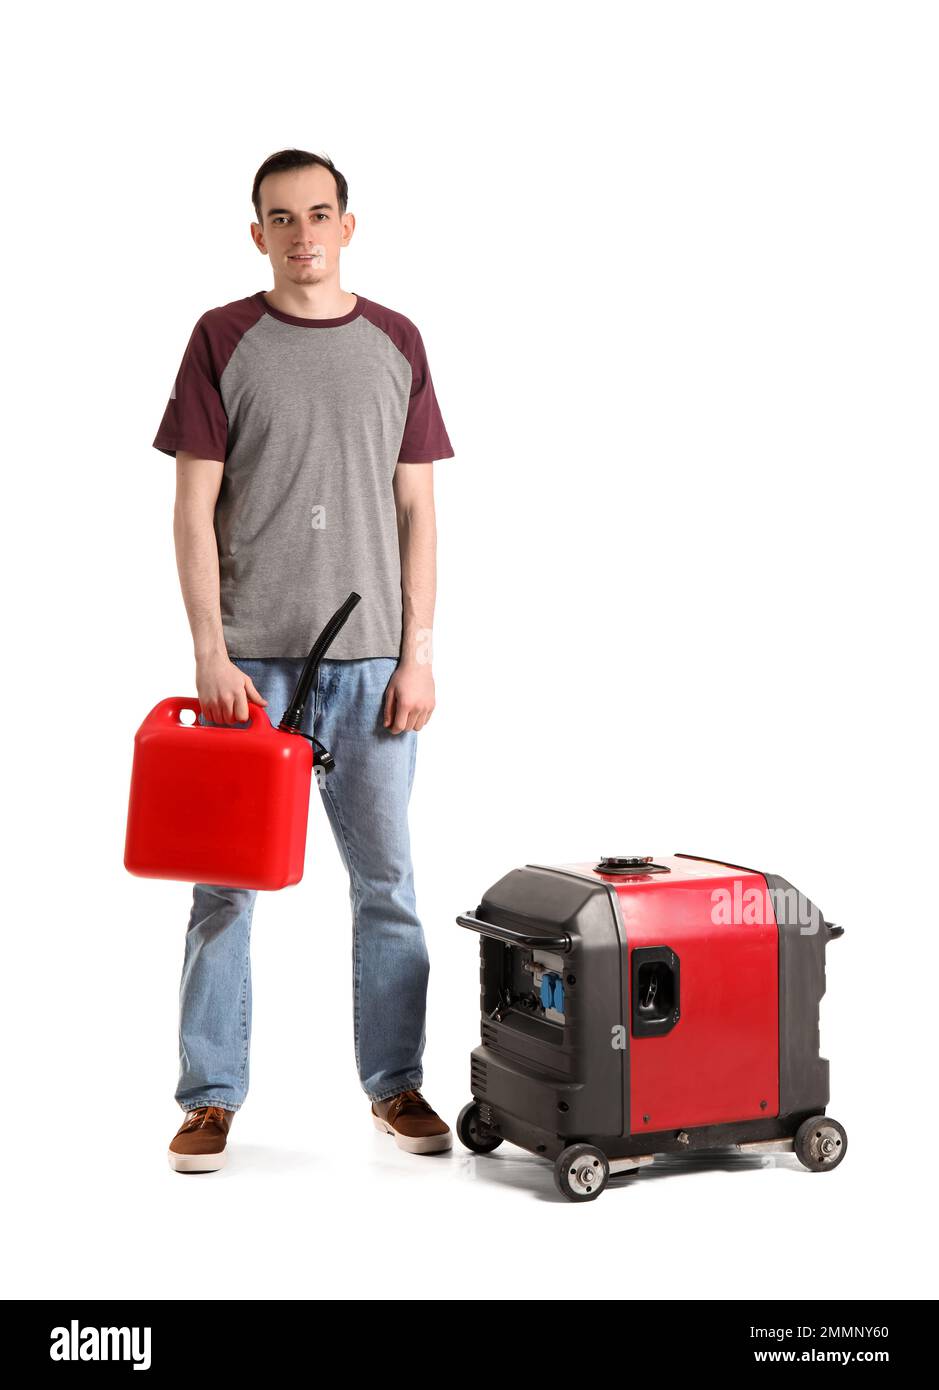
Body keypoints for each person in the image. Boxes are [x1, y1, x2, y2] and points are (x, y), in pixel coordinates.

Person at [152, 148, 455, 1172]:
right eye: (281, 218)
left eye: (319, 213)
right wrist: (209, 648)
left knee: (388, 881)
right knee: (224, 889)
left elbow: (418, 509)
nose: (303, 234)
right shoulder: (222, 338)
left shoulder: (398, 342)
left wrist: (419, 653)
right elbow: (193, 507)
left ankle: (396, 1082)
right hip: (253, 670)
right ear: (258, 235)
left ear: (348, 226)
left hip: (371, 665)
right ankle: (209, 1096)